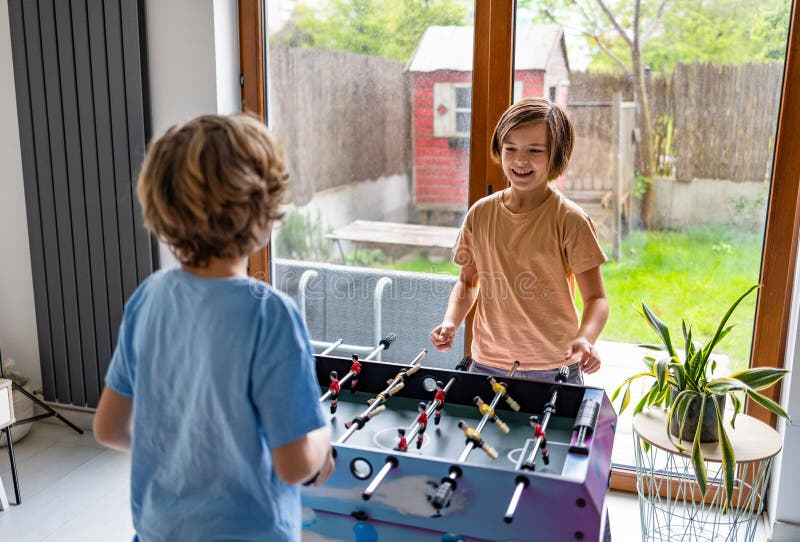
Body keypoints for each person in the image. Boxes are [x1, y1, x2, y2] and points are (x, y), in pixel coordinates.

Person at [93, 114, 334, 542]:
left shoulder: (147, 297)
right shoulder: (270, 315)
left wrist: (177, 454)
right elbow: (295, 464)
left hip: (157, 532)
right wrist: (321, 446)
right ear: (263, 211)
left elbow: (108, 428)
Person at [430, 98, 609, 384]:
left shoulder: (570, 219)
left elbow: (597, 299)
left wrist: (586, 339)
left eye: (535, 150)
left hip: (555, 365)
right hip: (486, 362)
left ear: (557, 155)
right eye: (510, 149)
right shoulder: (480, 213)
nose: (520, 160)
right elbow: (467, 281)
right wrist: (452, 322)